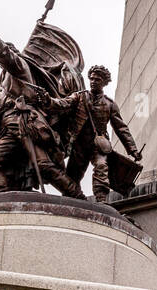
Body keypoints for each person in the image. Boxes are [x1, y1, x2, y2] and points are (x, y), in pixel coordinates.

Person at [0, 12, 84, 198]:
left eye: (3, 56)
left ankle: (78, 197)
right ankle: (8, 201)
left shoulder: (18, 66)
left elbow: (1, 51)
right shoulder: (3, 81)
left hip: (24, 123)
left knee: (43, 166)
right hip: (9, 129)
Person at [57, 64, 141, 203]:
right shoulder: (79, 97)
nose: (93, 81)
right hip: (79, 144)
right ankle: (69, 200)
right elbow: (62, 104)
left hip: (98, 145)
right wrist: (47, 100)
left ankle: (101, 199)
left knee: (101, 166)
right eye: (92, 79)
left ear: (104, 82)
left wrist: (133, 150)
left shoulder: (109, 104)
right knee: (72, 176)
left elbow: (121, 128)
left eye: (97, 80)